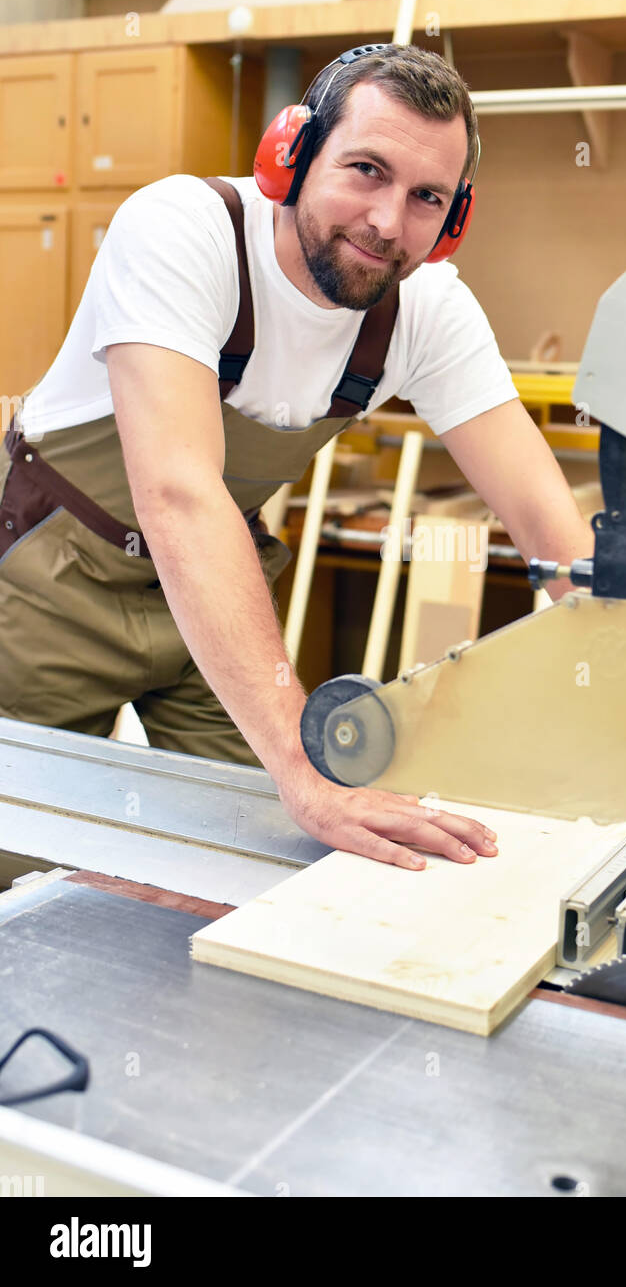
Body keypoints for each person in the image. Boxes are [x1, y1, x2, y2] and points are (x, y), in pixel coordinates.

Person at [0, 43, 593, 870]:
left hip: (207, 601)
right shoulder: (182, 228)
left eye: (426, 197)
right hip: (45, 588)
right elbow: (178, 495)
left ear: (454, 219)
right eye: (365, 170)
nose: (389, 223)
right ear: (291, 154)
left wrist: (624, 699)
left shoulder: (423, 310)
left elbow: (543, 519)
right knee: (19, 858)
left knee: (253, 861)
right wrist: (300, 769)